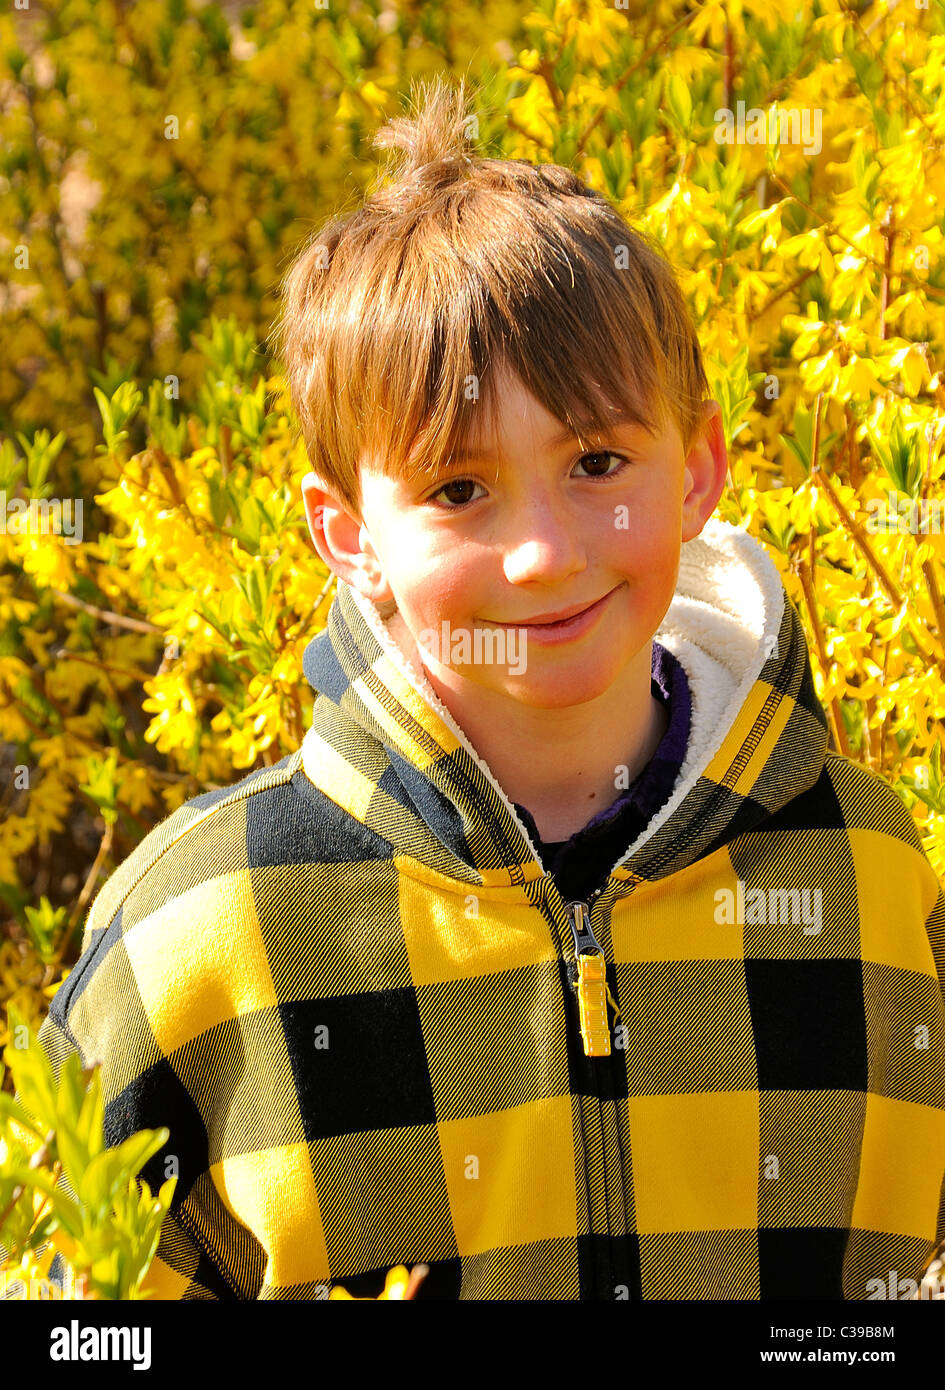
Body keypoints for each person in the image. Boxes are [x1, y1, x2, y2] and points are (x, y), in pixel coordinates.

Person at [20, 74, 945, 1301]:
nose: (544, 553)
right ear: (347, 535)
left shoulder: (867, 872)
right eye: (458, 489)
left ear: (699, 470)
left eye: (598, 460)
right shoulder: (199, 932)